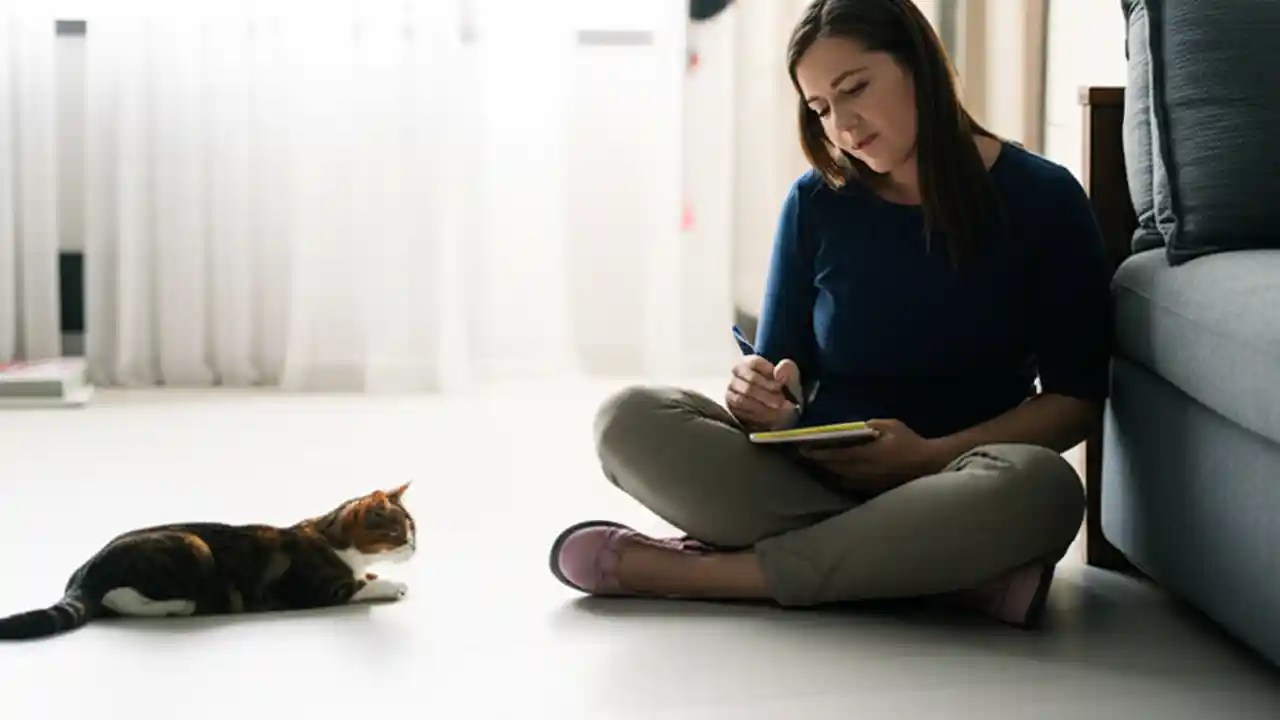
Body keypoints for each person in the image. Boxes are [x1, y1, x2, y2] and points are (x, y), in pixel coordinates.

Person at [547, 0, 1110, 628]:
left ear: (918, 64)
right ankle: (937, 577)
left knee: (1046, 489)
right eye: (819, 108)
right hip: (813, 483)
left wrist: (927, 457)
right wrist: (763, 397)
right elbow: (783, 373)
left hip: (956, 482)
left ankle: (707, 573)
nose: (842, 125)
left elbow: (1075, 401)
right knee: (628, 421)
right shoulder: (817, 201)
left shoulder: (1045, 198)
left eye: (856, 89)